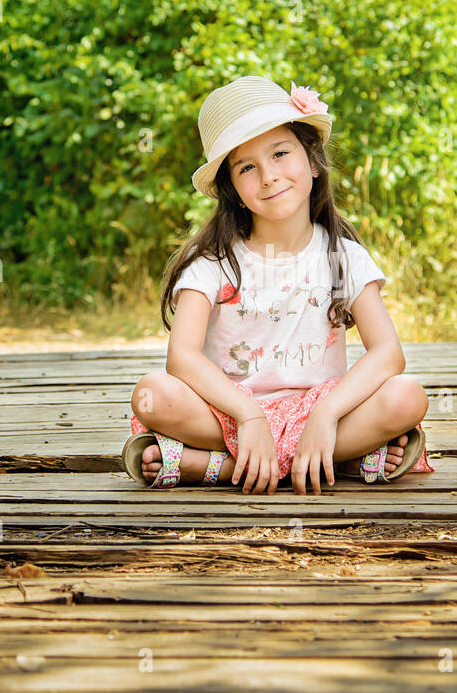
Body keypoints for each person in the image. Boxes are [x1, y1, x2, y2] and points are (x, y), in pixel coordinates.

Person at [124, 75, 433, 495]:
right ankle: (334, 461)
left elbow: (388, 355)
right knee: (154, 393)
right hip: (230, 413)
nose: (268, 176)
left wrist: (325, 416)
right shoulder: (213, 264)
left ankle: (221, 466)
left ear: (312, 160)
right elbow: (181, 359)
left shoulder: (342, 257)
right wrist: (249, 417)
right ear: (232, 188)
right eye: (247, 167)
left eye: (280, 153)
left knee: (406, 396)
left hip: (323, 414)